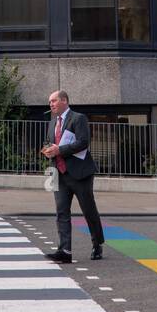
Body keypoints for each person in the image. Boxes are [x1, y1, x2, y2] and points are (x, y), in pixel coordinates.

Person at [41, 90, 104, 263]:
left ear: (64, 101)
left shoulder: (78, 118)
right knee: (61, 212)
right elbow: (49, 142)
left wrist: (60, 150)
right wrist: (47, 150)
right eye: (50, 102)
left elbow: (83, 142)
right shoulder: (52, 121)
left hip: (80, 173)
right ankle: (65, 251)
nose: (51, 104)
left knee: (88, 210)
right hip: (58, 173)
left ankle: (97, 243)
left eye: (53, 101)